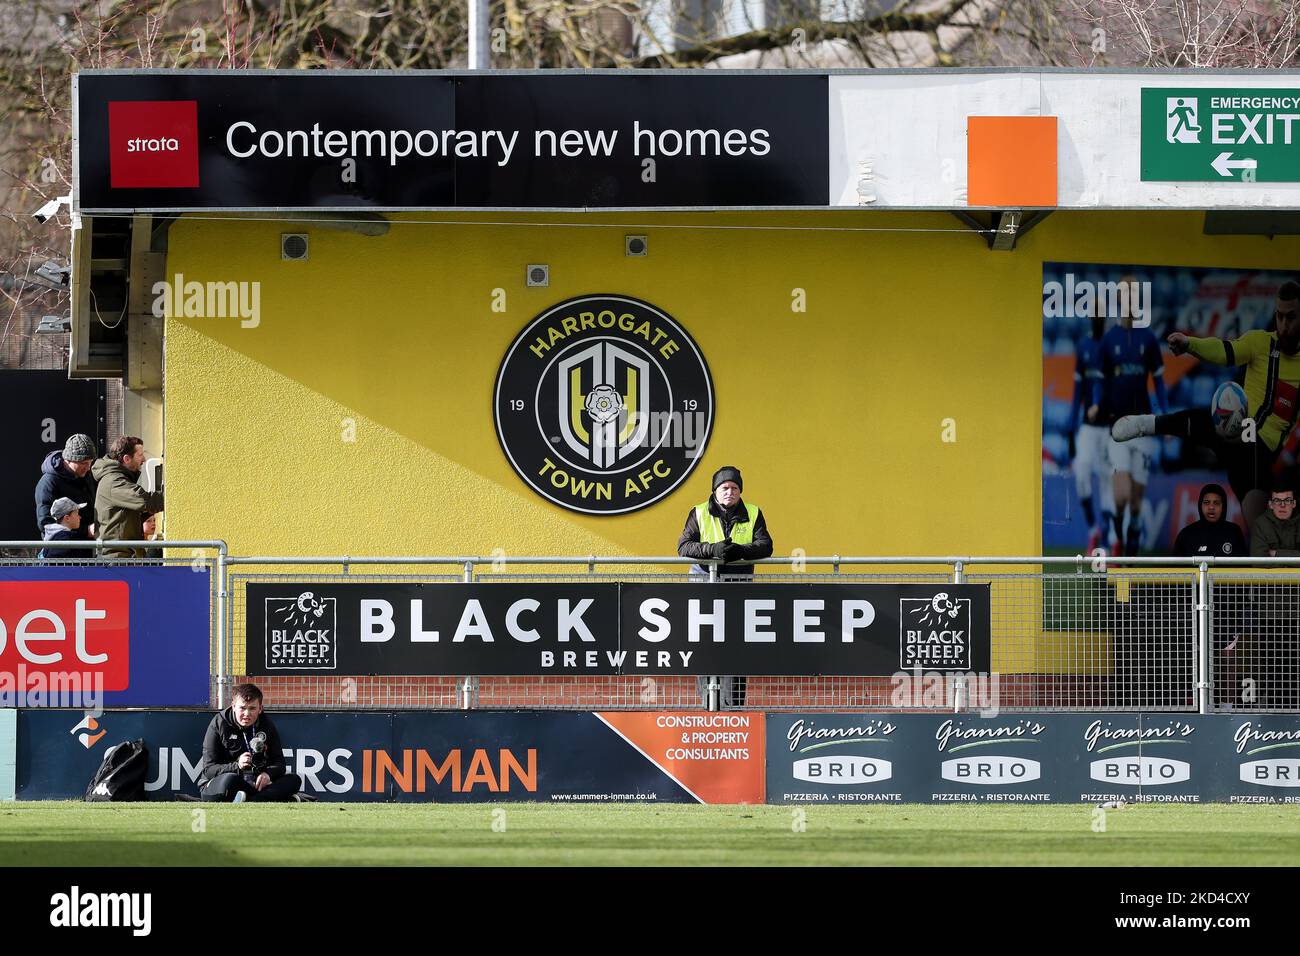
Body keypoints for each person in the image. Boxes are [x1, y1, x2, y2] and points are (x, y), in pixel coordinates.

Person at [1113, 280, 1300, 532]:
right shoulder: (1259, 343)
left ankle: (1265, 561)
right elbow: (1225, 351)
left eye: (1291, 317)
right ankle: (1145, 424)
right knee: (1211, 418)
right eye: (1279, 317)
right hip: (1239, 431)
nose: (1284, 325)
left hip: (1259, 457)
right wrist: (1190, 344)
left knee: (1261, 534)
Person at [1099, 280, 1168, 556]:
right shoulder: (1108, 340)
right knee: (1121, 497)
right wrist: (1096, 408)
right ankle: (1118, 528)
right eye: (1124, 295)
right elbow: (1100, 384)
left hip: (1143, 428)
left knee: (1137, 504)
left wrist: (1163, 415)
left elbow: (1160, 381)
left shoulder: (1148, 339)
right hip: (1116, 427)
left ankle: (1131, 549)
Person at [198, 684, 302, 803]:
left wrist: (267, 774)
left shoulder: (266, 725)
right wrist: (237, 766)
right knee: (229, 780)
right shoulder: (219, 723)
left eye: (252, 708)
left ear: (260, 708)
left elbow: (279, 763)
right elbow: (209, 769)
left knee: (294, 779)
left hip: (255, 784)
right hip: (225, 781)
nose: (247, 714)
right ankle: (276, 798)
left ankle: (250, 800)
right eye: (242, 708)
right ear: (233, 706)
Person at [1069, 311, 1115, 555]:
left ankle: (1106, 538)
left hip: (1107, 428)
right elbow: (1078, 391)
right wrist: (1070, 425)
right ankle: (1092, 530)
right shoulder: (1084, 347)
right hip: (1087, 427)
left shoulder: (1111, 347)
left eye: (1101, 317)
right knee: (1081, 478)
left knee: (1108, 481)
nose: (1098, 320)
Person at [676, 465, 773, 578]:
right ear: (715, 490)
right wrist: (712, 549)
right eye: (725, 488)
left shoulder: (754, 512)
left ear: (740, 491)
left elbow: (766, 546)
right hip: (704, 580)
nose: (730, 492)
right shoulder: (699, 512)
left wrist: (742, 551)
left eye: (734, 488)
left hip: (739, 581)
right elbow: (684, 546)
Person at [91, 436, 164, 558]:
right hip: (118, 561)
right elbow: (145, 500)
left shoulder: (116, 478)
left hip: (123, 558)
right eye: (140, 455)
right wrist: (173, 498)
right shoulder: (114, 482)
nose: (144, 459)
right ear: (127, 459)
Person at [34, 434, 97, 542]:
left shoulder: (87, 476)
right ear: (68, 460)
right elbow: (47, 525)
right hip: (62, 550)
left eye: (90, 462)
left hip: (88, 546)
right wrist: (85, 531)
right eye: (83, 463)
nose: (88, 468)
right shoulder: (48, 482)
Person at [1173, 483, 1246, 558]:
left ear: (1224, 506)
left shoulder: (1234, 532)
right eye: (1206, 503)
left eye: (1216, 503)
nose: (1211, 507)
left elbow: (1244, 567)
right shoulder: (1186, 535)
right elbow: (1174, 568)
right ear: (1200, 505)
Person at [1250, 477, 1300, 558]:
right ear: (1271, 504)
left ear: (1294, 504)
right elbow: (1258, 560)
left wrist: (1276, 554)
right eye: (1277, 501)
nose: (1282, 505)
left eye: (1287, 500)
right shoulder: (1260, 524)